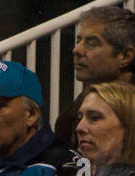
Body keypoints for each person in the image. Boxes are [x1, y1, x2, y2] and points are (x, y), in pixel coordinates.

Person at [55, 7, 135, 148]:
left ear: (125, 56)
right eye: (78, 41)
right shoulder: (68, 119)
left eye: (92, 43)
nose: (77, 50)